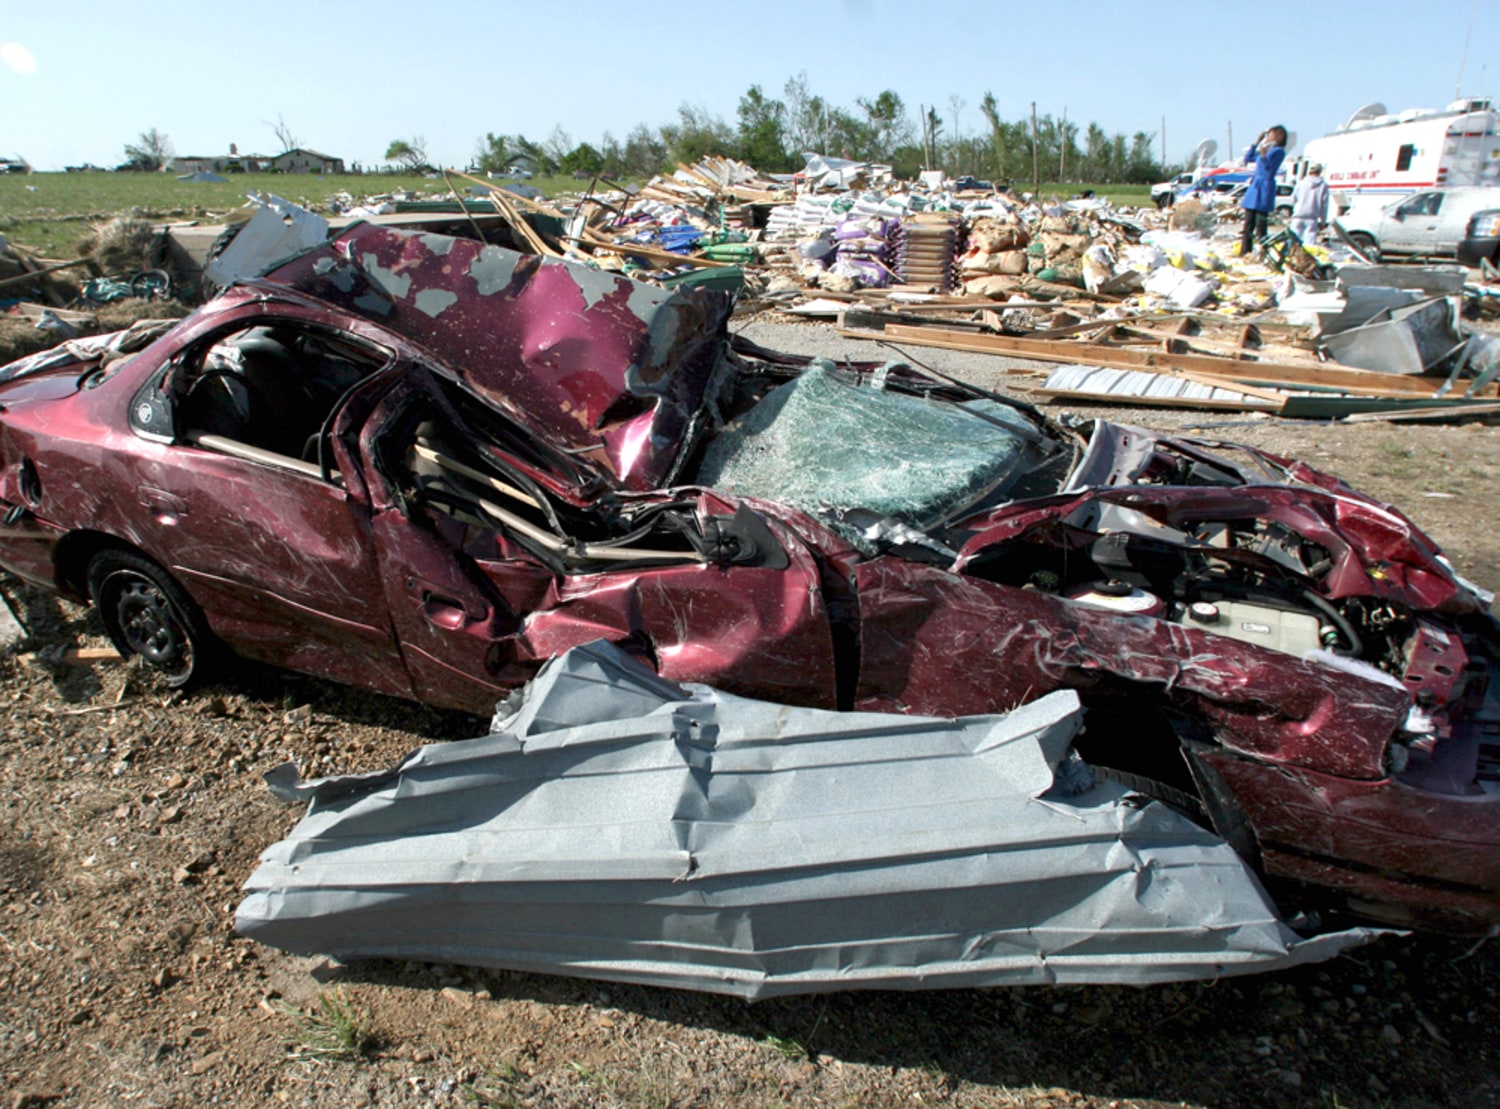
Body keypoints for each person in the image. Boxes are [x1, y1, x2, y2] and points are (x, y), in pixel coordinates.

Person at [1239, 125, 1287, 257]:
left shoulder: (1278, 151)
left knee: (1261, 223)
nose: (1267, 137)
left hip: (1265, 185)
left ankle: (1262, 252)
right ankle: (1245, 251)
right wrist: (1256, 143)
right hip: (1256, 185)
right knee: (1248, 222)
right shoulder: (1265, 149)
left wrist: (1264, 156)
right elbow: (1248, 158)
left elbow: (1269, 168)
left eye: (1270, 135)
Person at [1289, 164, 1330, 245]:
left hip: (1298, 216)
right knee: (1310, 244)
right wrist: (1323, 221)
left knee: (1293, 242)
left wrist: (1295, 209)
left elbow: (1293, 199)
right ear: (1320, 171)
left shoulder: (1300, 183)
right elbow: (1324, 205)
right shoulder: (1323, 185)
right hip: (1312, 218)